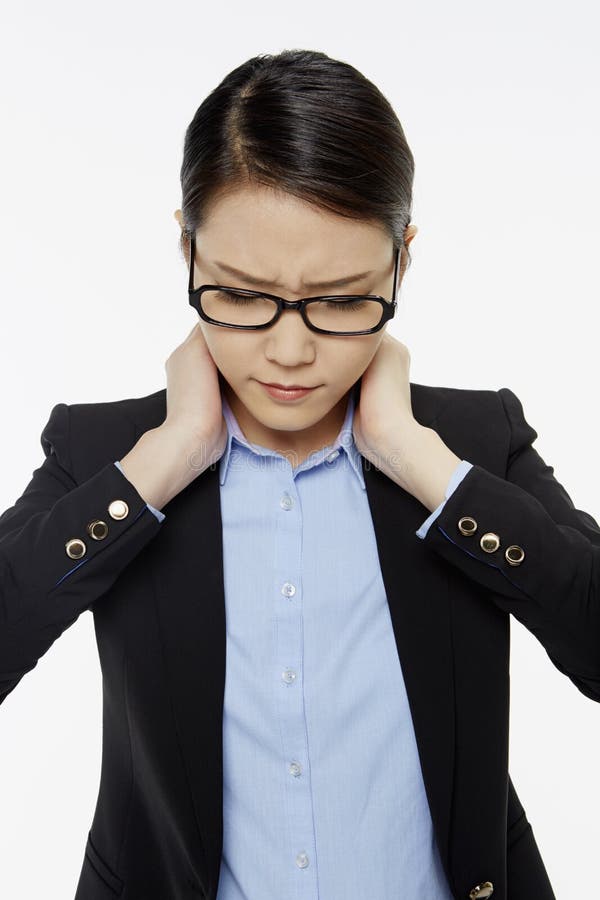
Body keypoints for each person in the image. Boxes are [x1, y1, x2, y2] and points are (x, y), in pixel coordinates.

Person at [2, 47, 596, 900]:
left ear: (402, 262)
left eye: (344, 300)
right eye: (241, 296)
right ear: (187, 251)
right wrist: (159, 465)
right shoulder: (108, 458)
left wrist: (423, 463)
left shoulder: (470, 441)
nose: (289, 351)